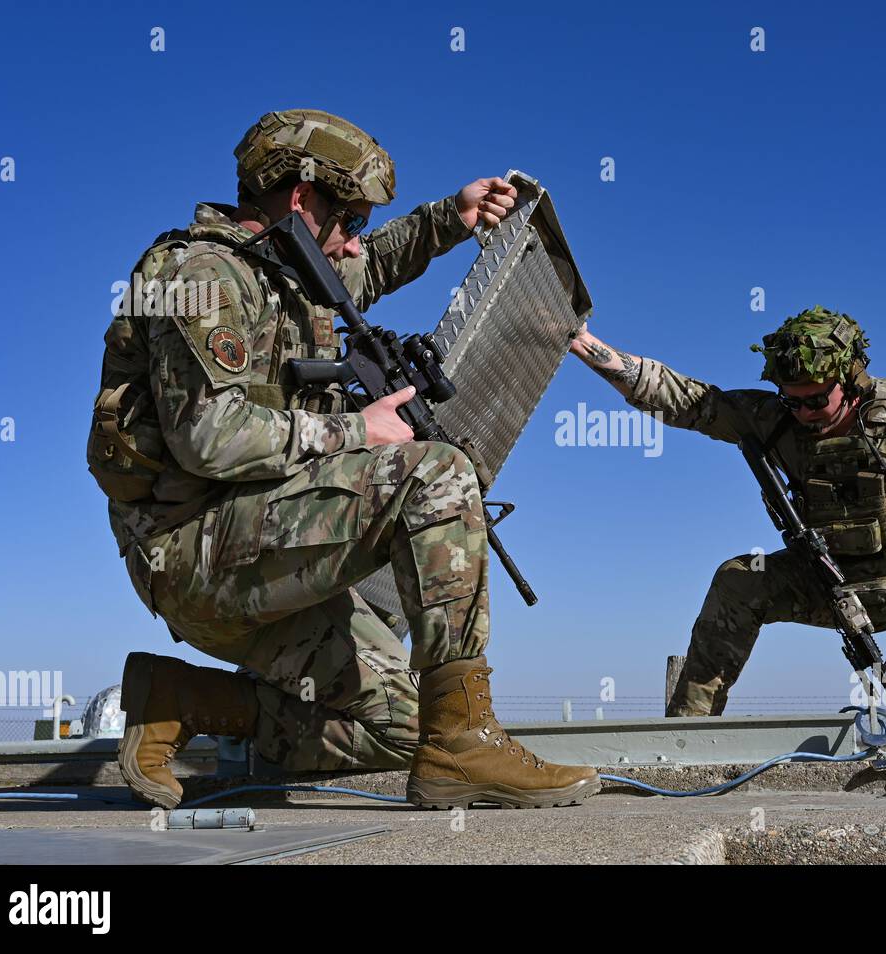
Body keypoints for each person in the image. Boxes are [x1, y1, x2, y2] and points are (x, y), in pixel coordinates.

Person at [89, 108, 600, 809]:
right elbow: (208, 436)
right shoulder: (199, 276)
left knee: (404, 729)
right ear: (302, 202)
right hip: (192, 553)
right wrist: (356, 431)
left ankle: (185, 700)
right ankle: (468, 745)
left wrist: (453, 217)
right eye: (351, 220)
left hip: (268, 546)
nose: (356, 242)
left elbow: (377, 265)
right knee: (436, 471)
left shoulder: (292, 274)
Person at [569, 306, 886, 772]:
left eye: (817, 400)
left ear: (852, 381)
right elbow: (687, 400)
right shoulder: (773, 419)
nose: (804, 413)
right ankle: (682, 749)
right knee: (739, 581)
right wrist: (588, 347)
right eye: (792, 400)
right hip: (833, 581)